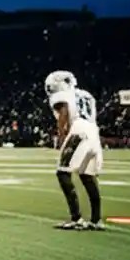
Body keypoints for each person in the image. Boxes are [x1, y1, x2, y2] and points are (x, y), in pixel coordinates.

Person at [45, 71, 104, 230]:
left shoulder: (62, 96)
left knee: (62, 172)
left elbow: (64, 113)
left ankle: (76, 217)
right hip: (94, 133)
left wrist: (62, 136)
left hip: (79, 131)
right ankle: (96, 220)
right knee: (87, 176)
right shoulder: (87, 96)